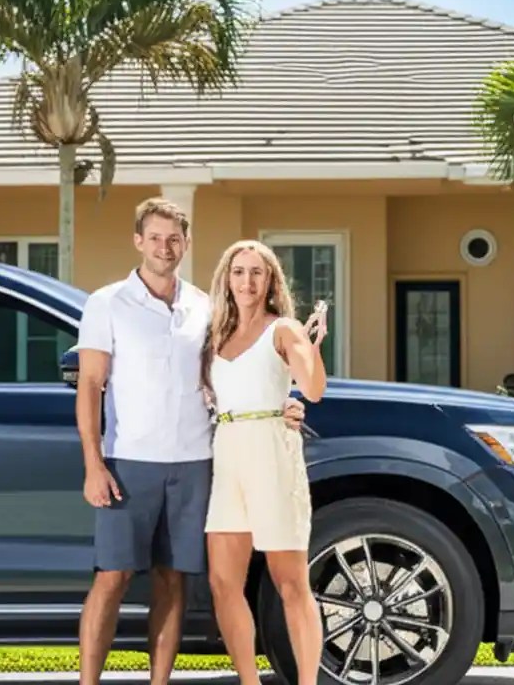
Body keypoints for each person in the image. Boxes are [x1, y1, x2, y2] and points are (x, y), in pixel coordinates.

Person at [72, 199, 305, 685]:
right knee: (111, 579)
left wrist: (284, 402)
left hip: (197, 463)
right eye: (155, 238)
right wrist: (94, 464)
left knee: (172, 580)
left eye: (174, 238)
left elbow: (237, 371)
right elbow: (90, 386)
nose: (164, 247)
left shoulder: (205, 306)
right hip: (128, 463)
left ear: (186, 243)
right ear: (138, 241)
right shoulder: (107, 303)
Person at [201, 240, 328, 685]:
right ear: (227, 278)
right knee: (222, 582)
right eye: (239, 271)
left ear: (270, 280)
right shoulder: (215, 332)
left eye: (257, 272)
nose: (247, 281)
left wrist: (312, 350)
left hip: (271, 450)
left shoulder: (285, 329)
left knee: (290, 582)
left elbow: (311, 390)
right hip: (228, 449)